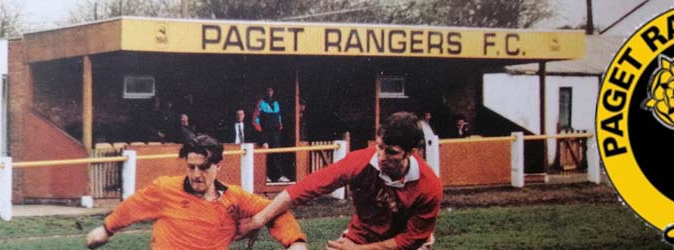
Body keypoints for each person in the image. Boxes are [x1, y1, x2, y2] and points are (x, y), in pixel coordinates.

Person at [238, 112, 443, 250]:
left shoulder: (429, 186)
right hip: (361, 236)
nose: (381, 157)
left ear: (411, 152)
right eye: (379, 147)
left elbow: (410, 239)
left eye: (391, 152)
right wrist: (258, 220)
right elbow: (303, 189)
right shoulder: (360, 162)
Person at [85, 135, 308, 250]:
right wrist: (106, 229)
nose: (196, 174)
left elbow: (275, 212)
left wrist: (295, 241)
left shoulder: (235, 198)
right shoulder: (165, 189)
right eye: (191, 167)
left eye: (203, 167)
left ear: (218, 167)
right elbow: (132, 207)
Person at [254, 87, 288, 182]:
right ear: (265, 92)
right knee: (266, 154)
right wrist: (261, 135)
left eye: (271, 91)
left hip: (275, 133)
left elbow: (279, 116)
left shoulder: (276, 103)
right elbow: (255, 119)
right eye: (268, 90)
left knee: (276, 153)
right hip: (265, 132)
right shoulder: (261, 103)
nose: (270, 92)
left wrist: (280, 126)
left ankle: (278, 176)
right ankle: (265, 176)